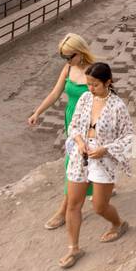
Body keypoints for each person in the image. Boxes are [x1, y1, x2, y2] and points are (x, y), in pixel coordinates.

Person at [59, 62, 136, 269]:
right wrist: (79, 142)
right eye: (89, 84)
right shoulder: (85, 99)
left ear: (108, 82)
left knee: (99, 207)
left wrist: (105, 149)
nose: (90, 89)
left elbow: (130, 138)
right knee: (74, 204)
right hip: (81, 155)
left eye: (95, 85)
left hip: (104, 157)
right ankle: (73, 248)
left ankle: (118, 224)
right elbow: (74, 125)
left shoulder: (118, 106)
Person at [28, 33, 96, 229]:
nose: (66, 60)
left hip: (88, 124)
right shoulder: (68, 68)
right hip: (71, 121)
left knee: (72, 165)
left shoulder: (95, 71)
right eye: (63, 57)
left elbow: (105, 97)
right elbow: (55, 92)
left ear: (80, 52)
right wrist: (38, 112)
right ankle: (101, 187)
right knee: (82, 162)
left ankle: (65, 210)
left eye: (69, 56)